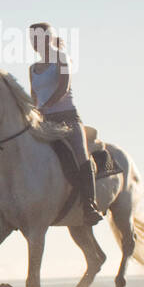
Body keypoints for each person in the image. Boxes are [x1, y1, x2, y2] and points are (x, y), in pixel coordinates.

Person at [28, 22, 103, 225]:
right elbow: (33, 97)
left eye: (38, 38)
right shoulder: (32, 68)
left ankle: (90, 205)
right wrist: (32, 112)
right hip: (43, 122)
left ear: (49, 38)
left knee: (80, 153)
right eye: (32, 39)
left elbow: (63, 88)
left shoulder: (61, 58)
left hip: (67, 117)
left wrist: (44, 107)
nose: (35, 42)